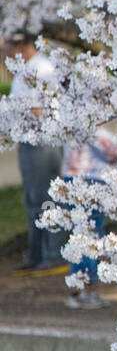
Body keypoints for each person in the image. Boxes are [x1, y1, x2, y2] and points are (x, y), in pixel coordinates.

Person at [5, 37, 69, 277]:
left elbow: (46, 108)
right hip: (28, 142)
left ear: (22, 46)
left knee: (47, 198)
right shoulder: (25, 70)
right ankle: (36, 253)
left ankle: (53, 253)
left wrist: (20, 107)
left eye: (9, 48)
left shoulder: (42, 68)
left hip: (44, 143)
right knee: (33, 199)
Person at [61, 126, 117, 310]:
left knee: (81, 234)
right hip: (91, 180)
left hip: (71, 180)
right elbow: (113, 151)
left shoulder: (68, 125)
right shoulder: (95, 130)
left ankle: (79, 288)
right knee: (91, 236)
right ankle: (85, 288)